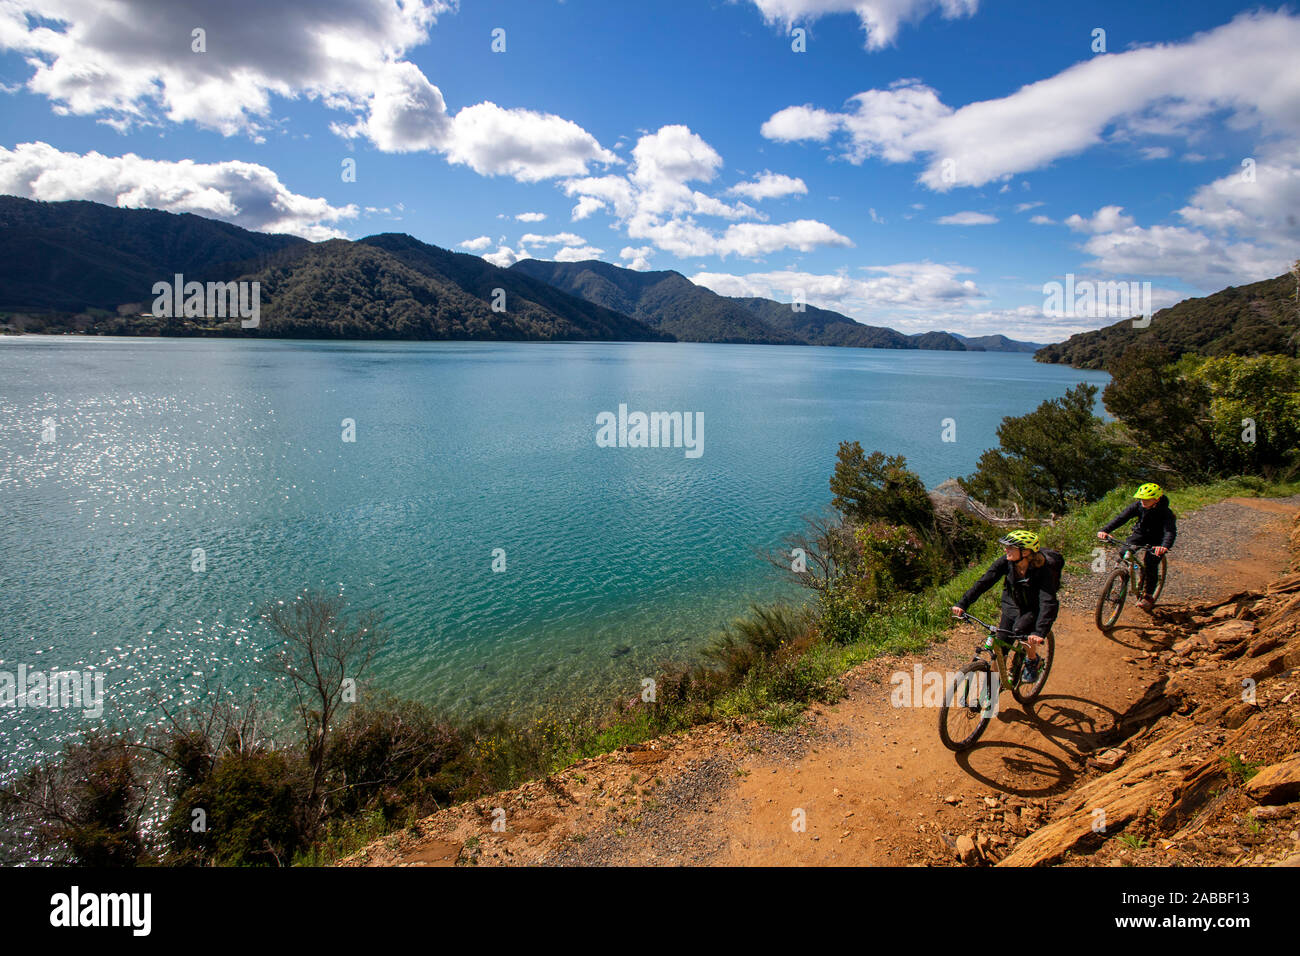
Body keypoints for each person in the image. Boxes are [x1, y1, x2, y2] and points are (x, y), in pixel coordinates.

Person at [950, 530, 1063, 684]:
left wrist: (1039, 631)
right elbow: (984, 582)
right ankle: (993, 687)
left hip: (1033, 607)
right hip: (1012, 603)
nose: (1006, 550)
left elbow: (1048, 602)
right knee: (1001, 646)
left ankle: (1032, 661)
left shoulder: (1043, 571)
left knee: (1022, 631)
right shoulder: (1006, 562)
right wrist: (963, 603)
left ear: (1026, 552)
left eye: (1011, 548)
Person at [1096, 482, 1176, 611]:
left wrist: (1164, 546)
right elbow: (1121, 518)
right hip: (1140, 534)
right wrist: (1105, 530)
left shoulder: (1166, 513)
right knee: (1124, 553)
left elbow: (1170, 532)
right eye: (1141, 498)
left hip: (1157, 539)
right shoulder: (1138, 506)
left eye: (1147, 499)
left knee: (1151, 563)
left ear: (1157, 499)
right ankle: (1132, 570)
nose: (1143, 501)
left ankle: (1148, 595)